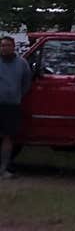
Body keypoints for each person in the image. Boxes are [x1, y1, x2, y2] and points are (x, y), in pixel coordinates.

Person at [0, 35, 32, 179]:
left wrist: (17, 95)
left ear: (13, 47)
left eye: (7, 45)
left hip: (12, 106)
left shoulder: (22, 63)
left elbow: (26, 83)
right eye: (2, 45)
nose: (4, 48)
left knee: (7, 138)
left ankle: (4, 169)